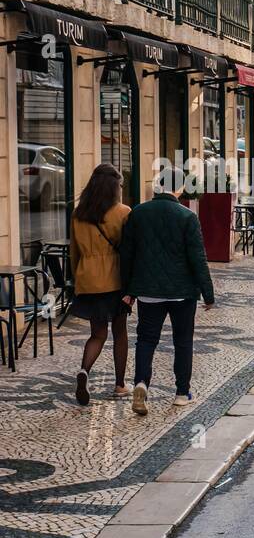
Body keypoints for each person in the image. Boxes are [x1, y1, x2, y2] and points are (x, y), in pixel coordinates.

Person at [119, 183, 215, 416]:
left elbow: (126, 254)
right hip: (182, 293)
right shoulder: (187, 216)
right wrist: (208, 293)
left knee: (146, 339)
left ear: (156, 187)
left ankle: (141, 383)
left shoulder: (138, 213)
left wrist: (128, 290)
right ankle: (182, 393)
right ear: (180, 188)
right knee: (183, 341)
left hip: (149, 292)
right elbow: (198, 258)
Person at [68, 164, 132, 405]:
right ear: (115, 187)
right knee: (120, 332)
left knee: (97, 334)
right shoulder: (123, 212)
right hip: (115, 281)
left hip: (88, 280)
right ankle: (119, 385)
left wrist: (78, 279)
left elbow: (74, 252)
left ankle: (84, 370)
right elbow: (129, 251)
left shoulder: (78, 214)